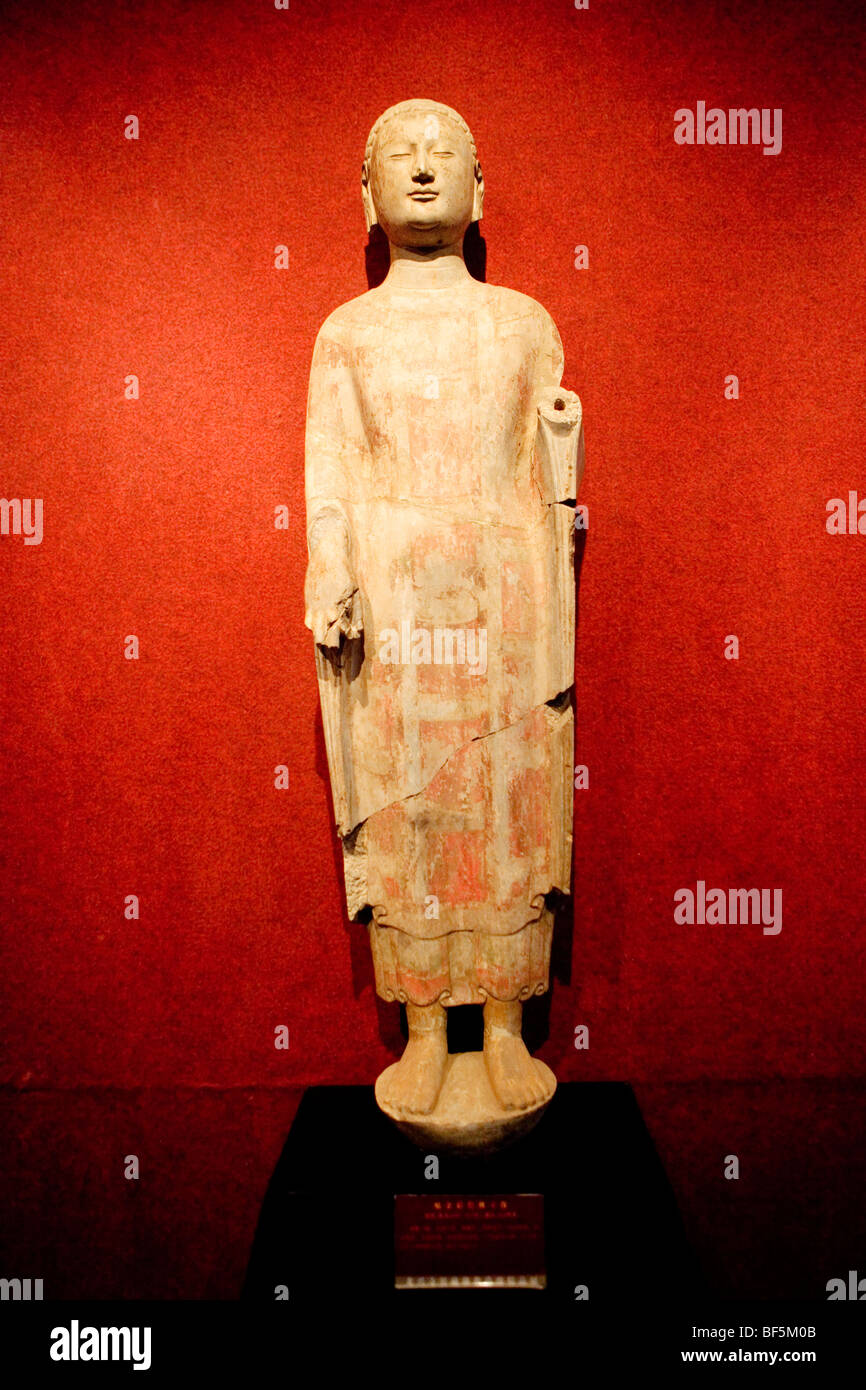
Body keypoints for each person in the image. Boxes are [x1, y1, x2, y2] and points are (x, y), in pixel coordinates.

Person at [304, 99, 583, 1119]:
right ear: (365, 196)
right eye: (399, 158)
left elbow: (549, 480)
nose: (422, 171)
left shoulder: (522, 321)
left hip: (502, 592)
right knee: (411, 801)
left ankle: (504, 1021)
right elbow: (327, 471)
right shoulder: (347, 332)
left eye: (443, 156)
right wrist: (324, 564)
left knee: (508, 792)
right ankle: (425, 1025)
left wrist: (564, 435)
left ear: (479, 190)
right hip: (392, 594)